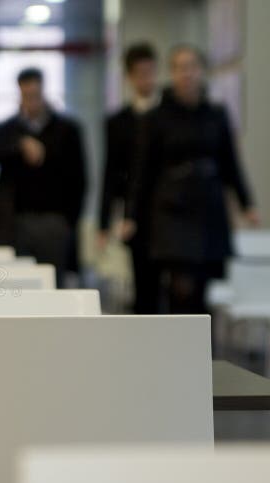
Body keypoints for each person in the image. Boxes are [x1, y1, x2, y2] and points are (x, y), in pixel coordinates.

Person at [125, 45, 260, 314]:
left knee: (201, 287)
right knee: (180, 284)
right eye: (180, 68)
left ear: (202, 71)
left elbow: (230, 163)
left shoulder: (216, 115)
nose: (187, 74)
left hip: (208, 206)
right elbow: (143, 172)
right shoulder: (156, 118)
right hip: (172, 210)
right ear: (172, 74)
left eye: (192, 67)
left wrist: (247, 204)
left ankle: (202, 351)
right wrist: (132, 215)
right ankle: (179, 347)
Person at [0, 68, 87, 286]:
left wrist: (70, 222)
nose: (31, 101)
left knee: (54, 287)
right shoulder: (7, 130)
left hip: (54, 221)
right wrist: (19, 145)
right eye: (26, 95)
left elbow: (80, 180)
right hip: (15, 222)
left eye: (35, 95)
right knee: (17, 286)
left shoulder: (67, 130)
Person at [99, 42, 161, 313]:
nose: (146, 78)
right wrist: (104, 222)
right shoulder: (119, 122)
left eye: (150, 71)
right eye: (140, 72)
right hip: (136, 214)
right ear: (129, 76)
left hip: (169, 211)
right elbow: (111, 172)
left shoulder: (168, 114)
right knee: (143, 284)